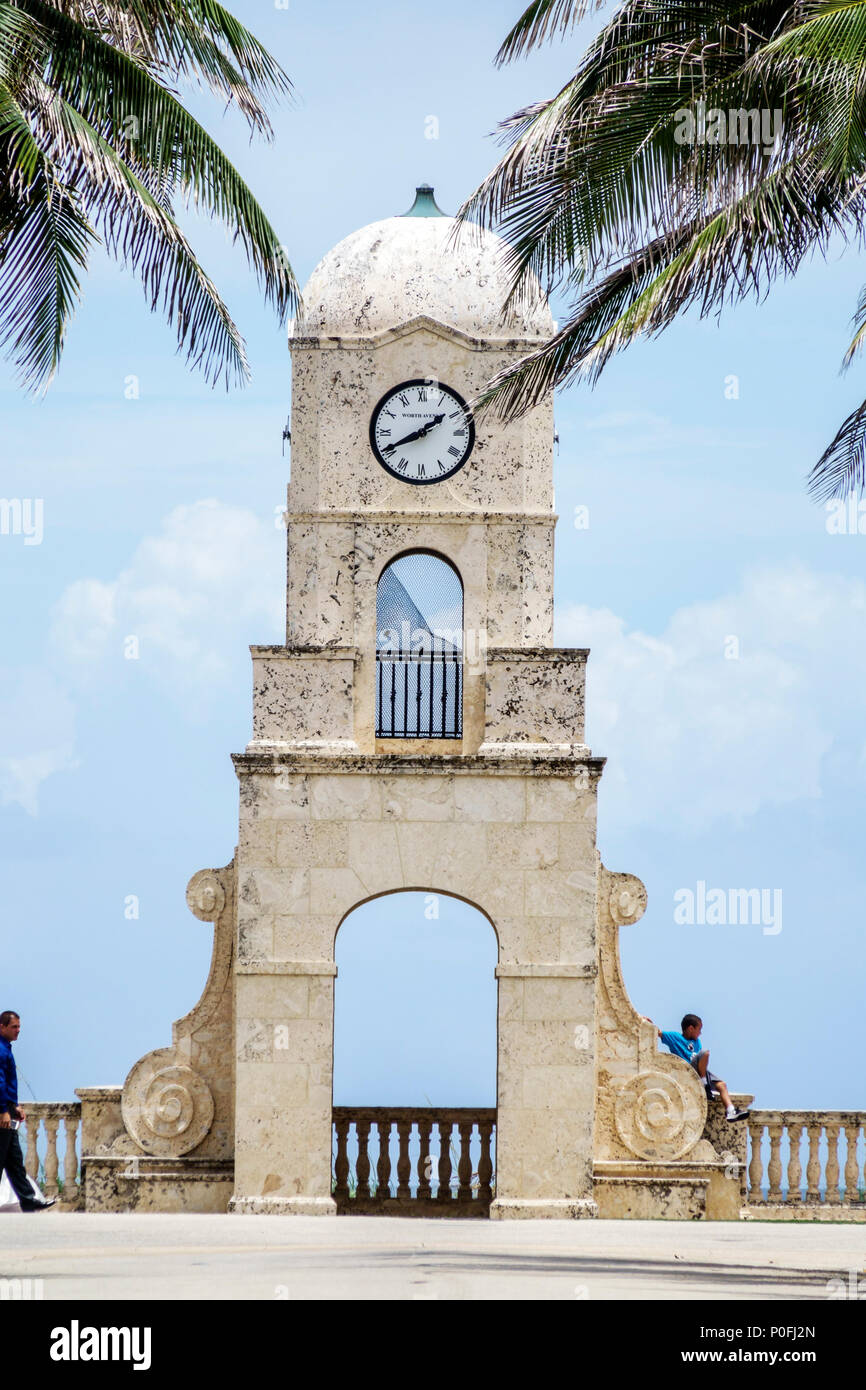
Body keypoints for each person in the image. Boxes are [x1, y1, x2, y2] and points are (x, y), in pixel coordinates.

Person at [642, 1012, 750, 1123]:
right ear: (690, 1028)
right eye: (699, 1029)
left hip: (700, 1070)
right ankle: (704, 1084)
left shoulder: (696, 1041)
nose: (700, 1033)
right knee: (705, 1053)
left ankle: (730, 1111)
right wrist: (646, 1022)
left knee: (722, 1085)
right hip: (688, 1069)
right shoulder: (675, 1037)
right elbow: (658, 1033)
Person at [0, 1011, 55, 1211]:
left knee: (14, 1161)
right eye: (14, 1027)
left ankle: (29, 1200)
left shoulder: (6, 1048)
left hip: (8, 1110)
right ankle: (29, 1200)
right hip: (2, 1114)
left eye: (19, 1027)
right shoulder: (0, 1050)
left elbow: (8, 1085)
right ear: (2, 1027)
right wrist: (3, 1111)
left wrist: (15, 1106)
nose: (18, 1031)